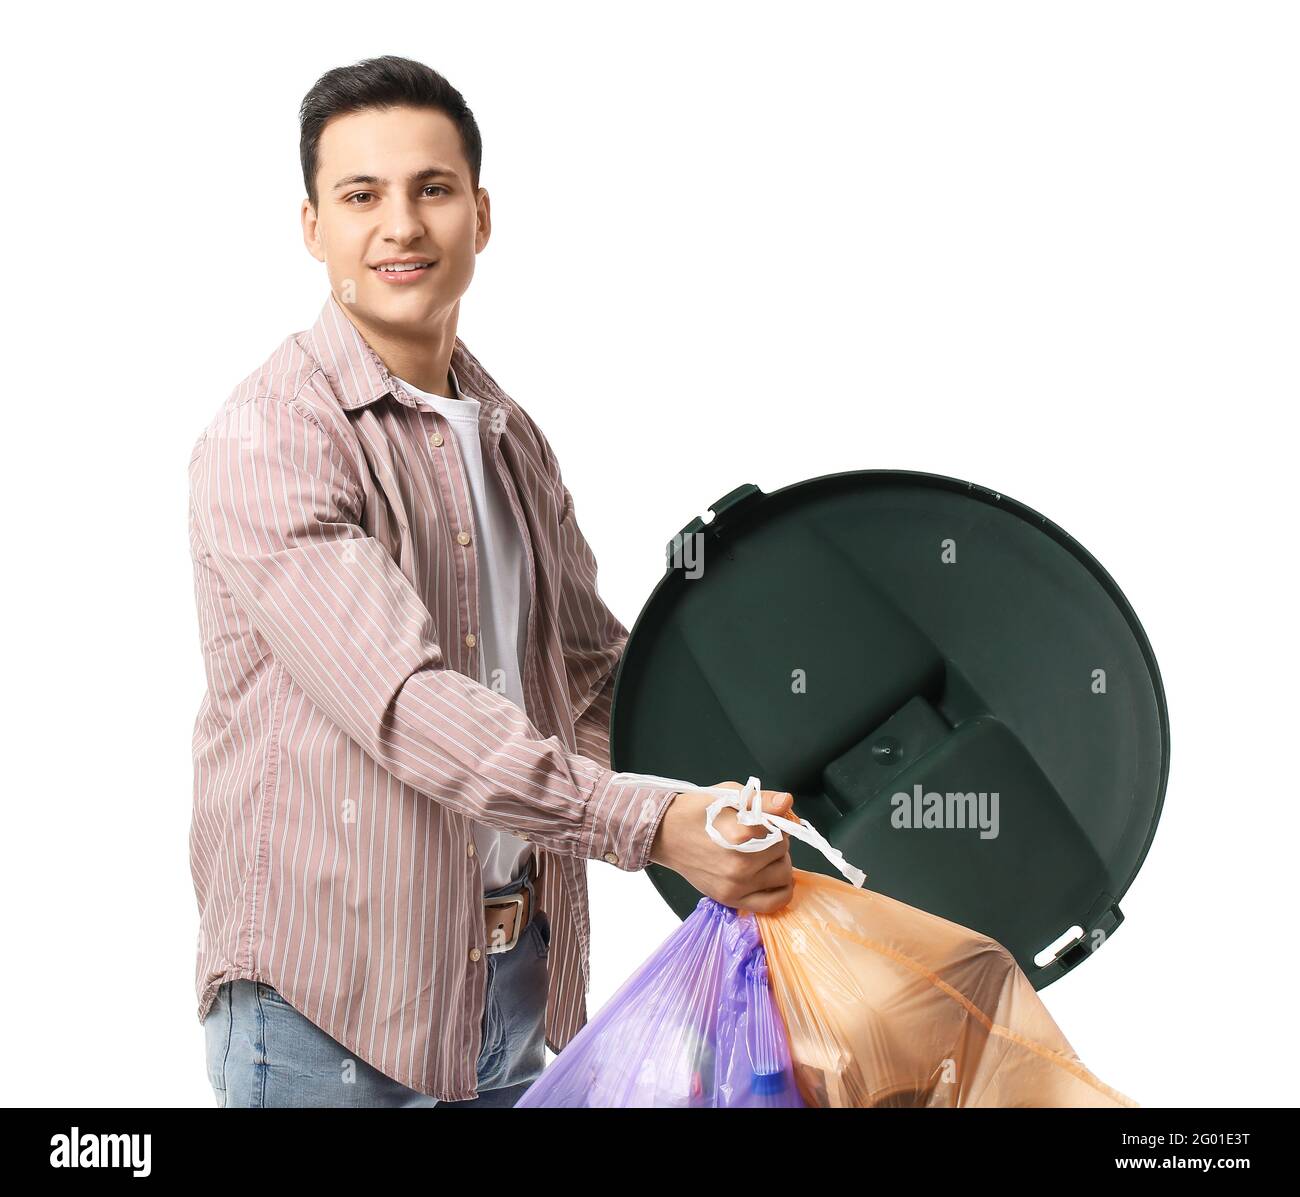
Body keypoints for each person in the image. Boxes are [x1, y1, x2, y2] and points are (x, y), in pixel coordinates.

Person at [188, 54, 794, 1108]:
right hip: (324, 1015)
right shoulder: (271, 436)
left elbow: (588, 679)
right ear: (311, 227)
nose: (401, 227)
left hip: (505, 983)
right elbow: (408, 706)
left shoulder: (508, 435)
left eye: (431, 189)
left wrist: (720, 794)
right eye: (360, 196)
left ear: (481, 211)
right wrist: (650, 825)